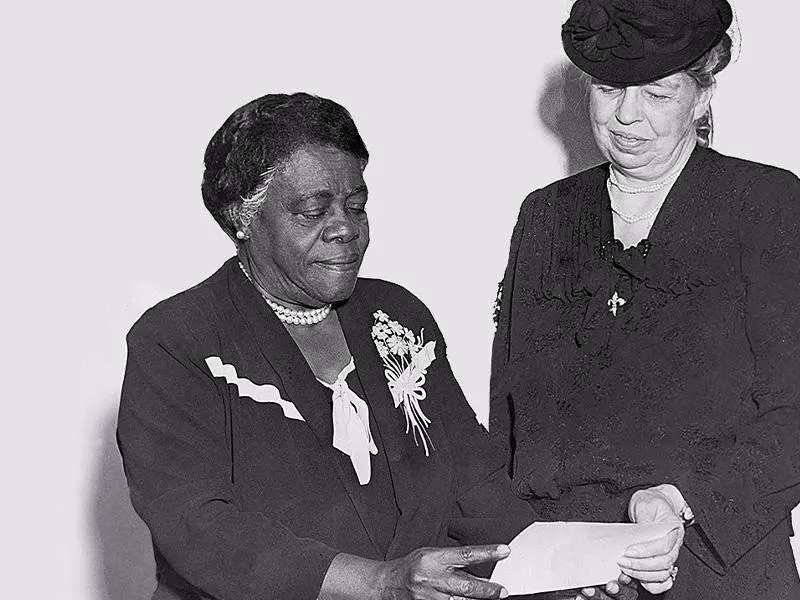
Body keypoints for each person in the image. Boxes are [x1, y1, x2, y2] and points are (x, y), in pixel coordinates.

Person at [118, 93, 678, 600]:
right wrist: (379, 582)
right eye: (313, 212)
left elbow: (476, 490)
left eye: (356, 206)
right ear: (242, 217)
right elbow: (200, 529)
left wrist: (569, 574)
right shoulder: (177, 341)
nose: (345, 229)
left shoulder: (398, 316)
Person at [490, 1, 800, 598]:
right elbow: (512, 419)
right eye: (609, 89)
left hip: (717, 570)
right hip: (567, 572)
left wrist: (681, 503)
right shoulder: (546, 216)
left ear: (701, 97)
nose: (627, 116)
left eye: (657, 94)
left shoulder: (766, 206)